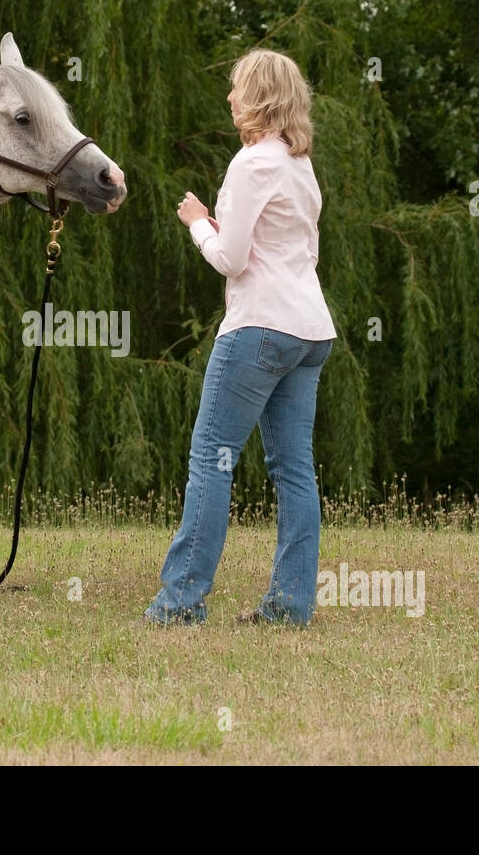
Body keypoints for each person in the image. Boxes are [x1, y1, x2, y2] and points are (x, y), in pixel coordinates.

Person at [142, 47, 336, 627]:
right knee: (295, 469)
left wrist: (198, 222)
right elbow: (301, 252)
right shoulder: (301, 168)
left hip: (258, 329)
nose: (229, 98)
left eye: (236, 89)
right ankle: (290, 606)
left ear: (257, 97)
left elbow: (231, 259)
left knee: (211, 460)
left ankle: (179, 603)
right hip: (309, 332)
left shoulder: (252, 163)